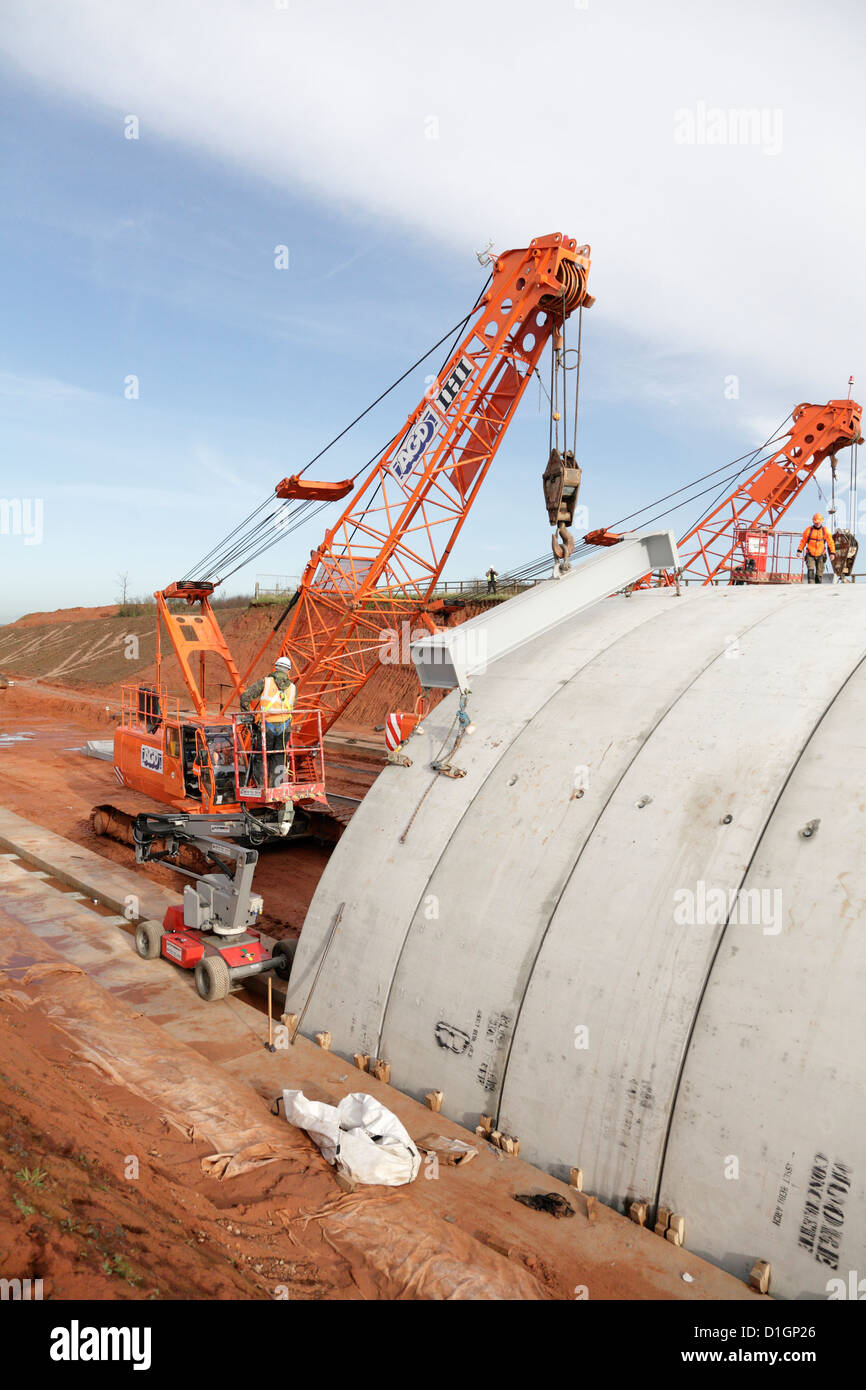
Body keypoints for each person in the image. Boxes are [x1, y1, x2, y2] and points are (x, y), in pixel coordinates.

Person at [240, 655, 296, 787]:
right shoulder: (293, 688)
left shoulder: (266, 682)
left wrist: (249, 716)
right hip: (285, 728)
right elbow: (293, 706)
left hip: (267, 727)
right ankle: (276, 786)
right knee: (279, 756)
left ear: (275, 668)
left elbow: (245, 697)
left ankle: (261, 786)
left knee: (261, 756)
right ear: (288, 671)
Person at [797, 513, 836, 584]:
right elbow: (803, 541)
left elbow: (831, 542)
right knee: (810, 570)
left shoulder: (825, 531)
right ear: (813, 522)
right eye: (816, 522)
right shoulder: (808, 530)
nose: (817, 524)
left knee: (819, 574)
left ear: (821, 522)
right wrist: (799, 550)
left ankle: (818, 587)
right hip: (810, 554)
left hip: (821, 554)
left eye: (819, 522)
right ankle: (811, 586)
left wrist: (832, 553)